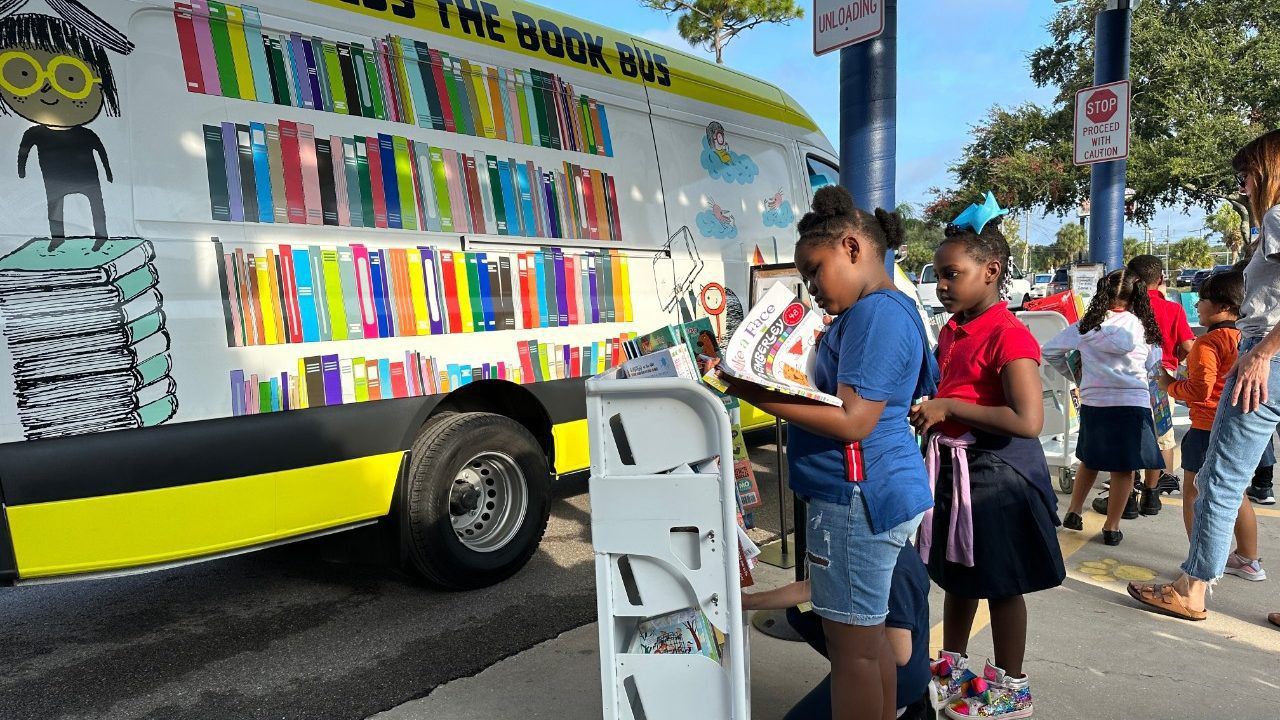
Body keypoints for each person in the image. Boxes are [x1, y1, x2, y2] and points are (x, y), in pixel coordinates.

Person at [708, 185, 936, 720]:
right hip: (874, 490)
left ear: (852, 247)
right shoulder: (886, 310)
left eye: (815, 271)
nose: (811, 288)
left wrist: (751, 389)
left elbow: (854, 421)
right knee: (871, 646)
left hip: (857, 496)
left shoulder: (875, 316)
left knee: (853, 654)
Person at [908, 192, 1064, 719]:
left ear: (991, 271)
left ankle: (1011, 688)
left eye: (952, 274)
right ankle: (951, 668)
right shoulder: (953, 329)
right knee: (958, 574)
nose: (942, 285)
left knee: (1001, 583)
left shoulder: (1008, 335)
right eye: (938, 275)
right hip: (958, 472)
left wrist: (949, 406)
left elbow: (1028, 421)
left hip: (999, 477)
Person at [1129, 129, 1280, 624]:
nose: (1244, 187)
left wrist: (1262, 353)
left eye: (1246, 176)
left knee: (1220, 477)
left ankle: (1191, 588)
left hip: (1269, 359)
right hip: (1266, 356)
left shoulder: (1277, 217)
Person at [1157, 270, 1266, 581]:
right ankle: (1248, 558)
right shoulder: (1247, 340)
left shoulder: (1207, 343)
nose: (1197, 305)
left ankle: (1199, 562)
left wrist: (1169, 385)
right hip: (1238, 424)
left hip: (1206, 427)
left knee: (1193, 494)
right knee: (1235, 491)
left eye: (1202, 299)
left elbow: (1200, 389)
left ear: (1224, 306)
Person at [741, 543, 933, 720]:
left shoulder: (895, 568)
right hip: (870, 659)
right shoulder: (867, 545)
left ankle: (900, 707)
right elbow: (810, 588)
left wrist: (850, 644)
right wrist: (749, 601)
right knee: (798, 612)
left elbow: (899, 654)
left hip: (899, 677)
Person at [1044, 269, 1165, 547]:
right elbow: (1152, 366)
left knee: (1090, 459)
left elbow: (1050, 350)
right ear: (1137, 296)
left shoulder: (1086, 326)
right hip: (1132, 404)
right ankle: (1112, 527)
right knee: (1124, 470)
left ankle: (1074, 511)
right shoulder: (1142, 327)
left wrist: (1076, 375)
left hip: (1095, 402)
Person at [1126, 254, 1196, 514]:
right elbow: (1189, 346)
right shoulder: (1172, 309)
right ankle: (1152, 494)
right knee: (1162, 436)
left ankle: (1127, 497)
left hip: (1129, 377)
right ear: (1161, 279)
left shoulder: (1126, 308)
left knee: (1130, 435)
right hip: (1161, 377)